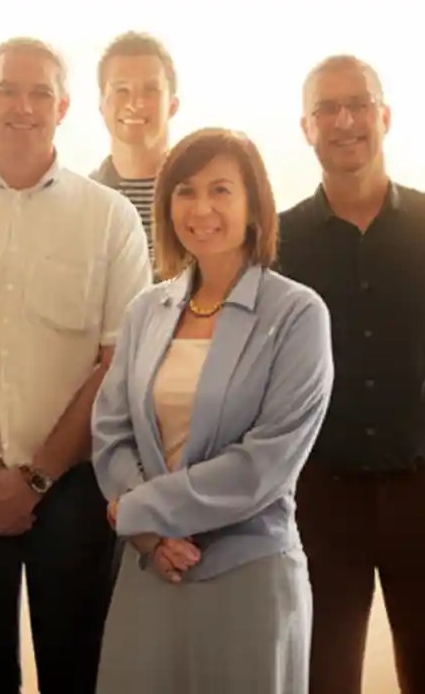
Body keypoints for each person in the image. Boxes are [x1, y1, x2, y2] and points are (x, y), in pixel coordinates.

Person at [0, 37, 151, 693]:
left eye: (40, 91)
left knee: (79, 674)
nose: (23, 105)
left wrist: (36, 479)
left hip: (73, 488)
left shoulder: (111, 219)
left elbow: (114, 366)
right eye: (7, 91)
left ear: (64, 106)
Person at [277, 54, 425, 694]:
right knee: (321, 676)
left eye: (358, 103)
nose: (344, 120)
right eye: (327, 108)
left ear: (384, 116)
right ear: (306, 127)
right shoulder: (281, 242)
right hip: (318, 497)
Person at [92, 127, 334, 692]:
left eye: (221, 190)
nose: (201, 208)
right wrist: (150, 537)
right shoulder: (147, 310)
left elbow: (266, 461)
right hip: (153, 570)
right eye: (185, 191)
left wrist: (138, 509)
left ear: (254, 205)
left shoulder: (298, 314)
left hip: (248, 574)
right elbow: (111, 432)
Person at [90, 31, 179, 259]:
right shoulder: (82, 202)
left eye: (150, 90)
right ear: (101, 104)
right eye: (121, 90)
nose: (135, 103)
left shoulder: (202, 200)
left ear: (172, 105)